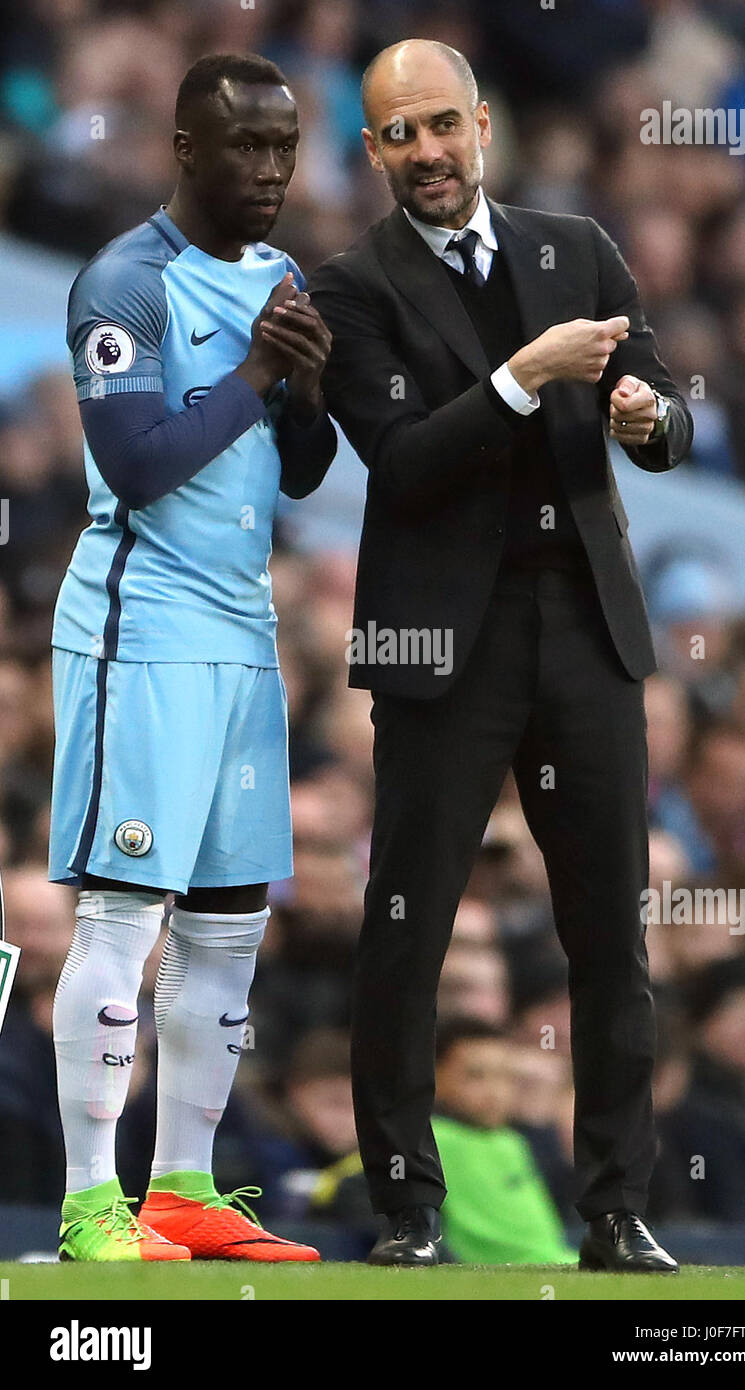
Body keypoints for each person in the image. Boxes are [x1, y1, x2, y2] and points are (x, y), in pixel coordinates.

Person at [310, 39, 692, 1270]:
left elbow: (667, 405)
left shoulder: (572, 245)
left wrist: (647, 418)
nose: (423, 151)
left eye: (440, 125)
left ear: (483, 125)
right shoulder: (349, 285)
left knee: (608, 935)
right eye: (395, 134)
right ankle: (407, 1208)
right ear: (370, 151)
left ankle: (617, 1210)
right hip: (438, 645)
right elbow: (402, 460)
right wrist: (526, 380)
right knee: (405, 924)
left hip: (584, 625)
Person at [48, 52, 336, 1263]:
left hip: (239, 633)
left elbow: (303, 472)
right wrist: (261, 371)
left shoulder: (280, 275)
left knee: (225, 927)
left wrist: (305, 394)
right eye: (243, 147)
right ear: (181, 147)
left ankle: (181, 1189)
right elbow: (139, 464)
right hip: (142, 631)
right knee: (125, 914)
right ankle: (84, 1201)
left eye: (282, 146)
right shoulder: (125, 281)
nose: (267, 169)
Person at [433, 1017, 577, 1265]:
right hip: (503, 1273)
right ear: (434, 1076)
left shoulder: (512, 1141)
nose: (495, 1092)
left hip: (559, 1260)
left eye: (505, 1077)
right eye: (476, 1076)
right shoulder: (431, 1138)